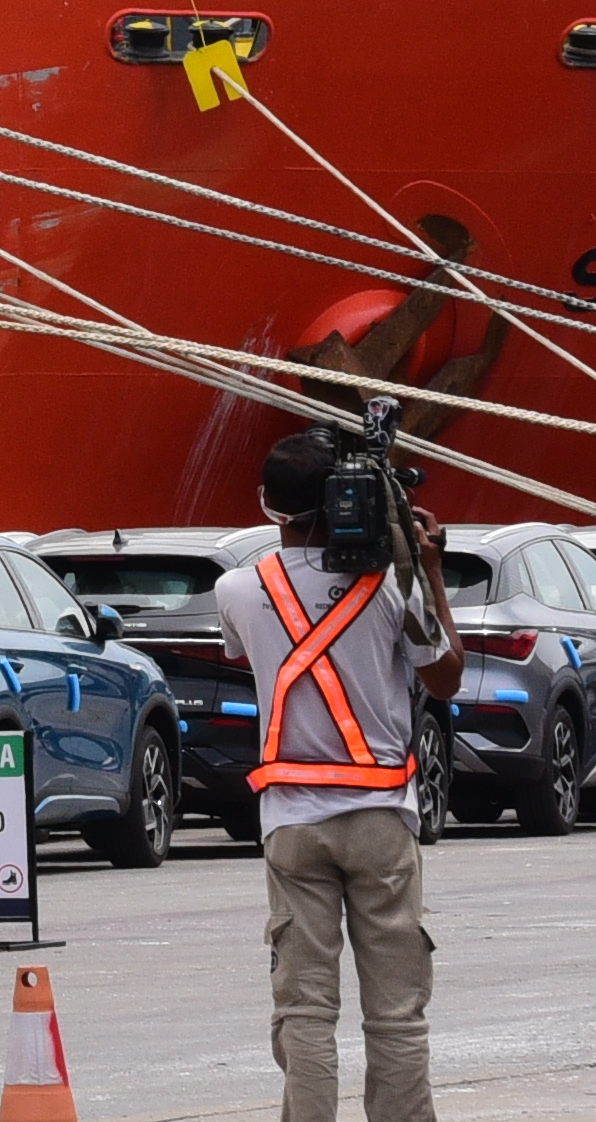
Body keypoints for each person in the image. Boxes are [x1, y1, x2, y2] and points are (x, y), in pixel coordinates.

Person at [210, 427, 460, 1122]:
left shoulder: (237, 587)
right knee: (397, 1013)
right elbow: (444, 680)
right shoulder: (391, 585)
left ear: (269, 505)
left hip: (291, 824)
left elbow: (243, 649)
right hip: (382, 821)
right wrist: (426, 567)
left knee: (305, 1011)